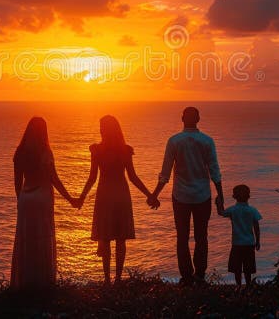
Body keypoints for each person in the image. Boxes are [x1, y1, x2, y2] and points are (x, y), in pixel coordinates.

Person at [77, 115, 158, 284]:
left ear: (107, 129)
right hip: (121, 194)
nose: (100, 130)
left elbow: (92, 177)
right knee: (120, 239)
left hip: (105, 195)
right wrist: (149, 195)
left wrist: (82, 197)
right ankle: (118, 279)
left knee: (106, 238)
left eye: (102, 127)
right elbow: (133, 177)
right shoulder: (125, 150)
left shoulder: (97, 150)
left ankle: (108, 279)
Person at [150, 106, 223, 285]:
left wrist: (154, 194)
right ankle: (200, 275)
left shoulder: (174, 141)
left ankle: (186, 276)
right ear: (198, 119)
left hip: (181, 196)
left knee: (182, 237)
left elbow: (165, 173)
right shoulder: (207, 141)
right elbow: (214, 170)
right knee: (201, 237)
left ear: (182, 118)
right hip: (202, 195)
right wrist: (220, 195)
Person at [11, 117, 77, 291]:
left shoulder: (20, 152)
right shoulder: (45, 152)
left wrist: (20, 201)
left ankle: (24, 283)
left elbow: (17, 183)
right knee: (42, 240)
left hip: (26, 199)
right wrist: (70, 199)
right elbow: (53, 178)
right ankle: (43, 284)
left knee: (26, 241)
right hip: (42, 198)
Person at [217, 184, 261, 290]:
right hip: (249, 243)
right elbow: (256, 228)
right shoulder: (252, 210)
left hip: (237, 244)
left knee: (237, 268)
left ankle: (238, 285)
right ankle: (249, 285)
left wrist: (218, 203)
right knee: (248, 267)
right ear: (248, 196)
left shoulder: (233, 210)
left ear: (234, 196)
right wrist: (258, 241)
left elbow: (221, 212)